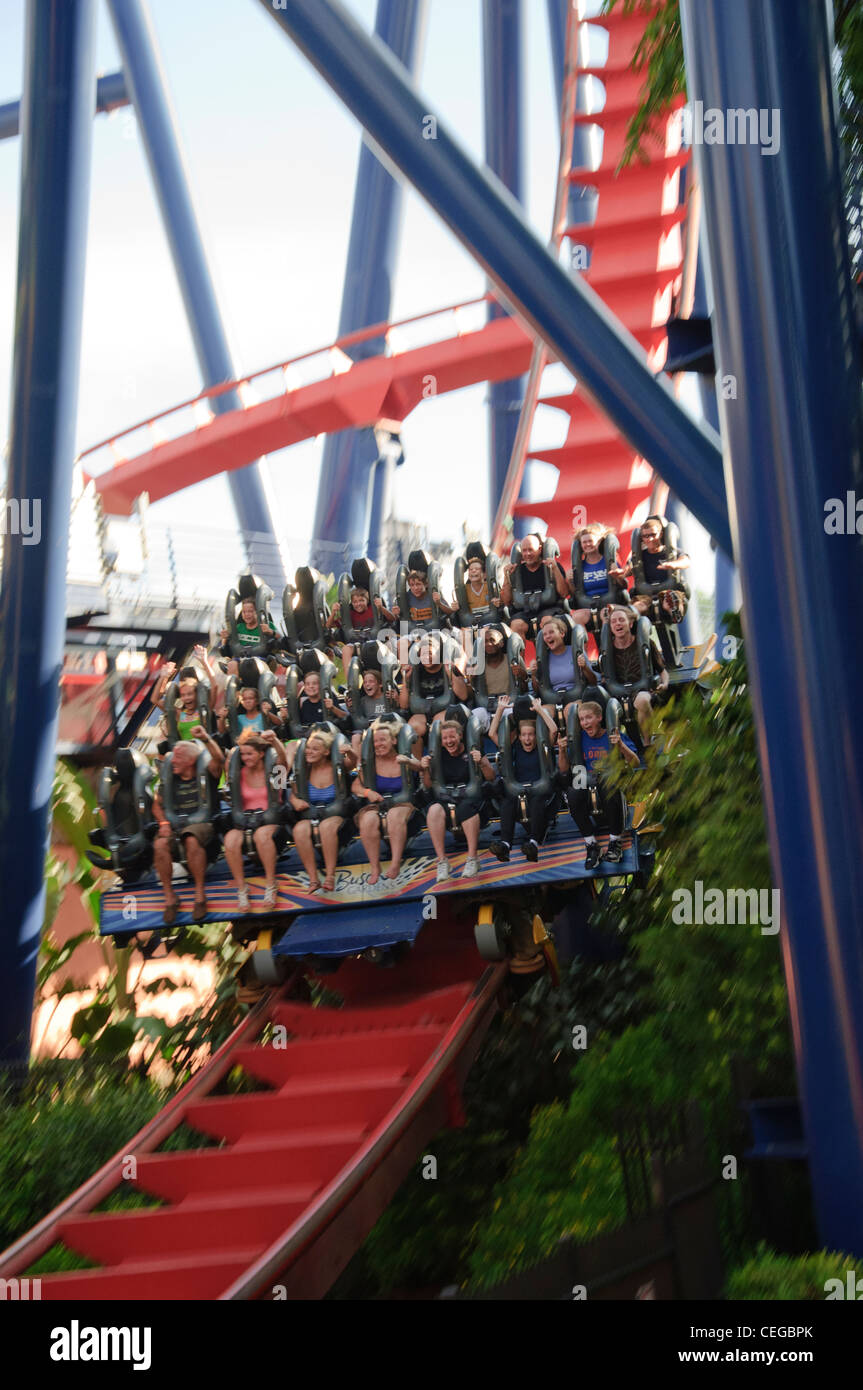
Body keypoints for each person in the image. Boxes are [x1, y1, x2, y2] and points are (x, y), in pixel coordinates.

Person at [152, 728, 224, 925]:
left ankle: (199, 895)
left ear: (191, 761)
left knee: (191, 837)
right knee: (159, 845)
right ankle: (170, 898)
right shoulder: (170, 778)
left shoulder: (207, 773)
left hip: (203, 829)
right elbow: (156, 804)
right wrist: (164, 823)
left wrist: (205, 737)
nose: (173, 761)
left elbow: (219, 759)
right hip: (175, 828)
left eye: (178, 757)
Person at [557, 700, 639, 868]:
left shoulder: (613, 735)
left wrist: (621, 746)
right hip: (586, 780)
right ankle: (591, 844)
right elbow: (564, 769)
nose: (585, 722)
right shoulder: (580, 739)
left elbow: (635, 763)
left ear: (600, 718)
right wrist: (562, 750)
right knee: (572, 793)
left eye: (589, 718)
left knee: (608, 785)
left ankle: (615, 843)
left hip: (609, 781)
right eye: (581, 719)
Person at [414, 719, 495, 881]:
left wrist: (483, 763)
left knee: (466, 809)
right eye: (445, 738)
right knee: (433, 810)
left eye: (452, 737)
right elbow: (429, 785)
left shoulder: (473, 751)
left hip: (470, 799)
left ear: (460, 737)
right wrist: (425, 770)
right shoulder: (438, 755)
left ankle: (473, 858)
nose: (449, 741)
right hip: (447, 798)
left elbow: (491, 777)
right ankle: (442, 861)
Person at [222, 729, 289, 911]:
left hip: (270, 823)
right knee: (230, 840)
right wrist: (239, 747)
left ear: (261, 754)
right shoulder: (240, 773)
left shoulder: (274, 773)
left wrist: (274, 741)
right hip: (246, 821)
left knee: (261, 836)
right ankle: (242, 889)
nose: (245, 758)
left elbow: (284, 763)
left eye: (250, 754)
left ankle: (270, 883)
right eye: (242, 754)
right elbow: (228, 764)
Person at [487, 696, 559, 863]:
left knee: (537, 798)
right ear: (518, 736)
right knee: (507, 801)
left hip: (540, 792)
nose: (527, 739)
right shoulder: (514, 747)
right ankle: (505, 844)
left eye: (531, 735)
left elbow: (554, 730)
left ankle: (533, 843)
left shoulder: (543, 745)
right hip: (518, 791)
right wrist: (500, 710)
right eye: (524, 735)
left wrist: (540, 710)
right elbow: (491, 733)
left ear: (536, 735)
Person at [582, 605, 669, 739]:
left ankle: (648, 742)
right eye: (614, 621)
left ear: (631, 623)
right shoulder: (607, 649)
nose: (618, 624)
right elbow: (604, 676)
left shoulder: (645, 643)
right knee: (602, 705)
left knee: (642, 700)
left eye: (621, 620)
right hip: (617, 693)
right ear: (610, 627)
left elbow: (663, 671)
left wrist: (665, 683)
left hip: (641, 690)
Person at [289, 727, 356, 892]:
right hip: (311, 815)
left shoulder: (337, 767)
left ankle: (330, 875)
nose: (309, 752)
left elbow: (352, 763)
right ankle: (313, 879)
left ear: (326, 752)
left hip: (335, 815)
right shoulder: (304, 770)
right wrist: (296, 802)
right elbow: (294, 794)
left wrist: (350, 752)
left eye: (315, 749)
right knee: (299, 830)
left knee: (326, 827)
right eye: (308, 748)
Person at [354, 720, 418, 884]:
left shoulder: (402, 756)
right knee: (368, 820)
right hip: (378, 804)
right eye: (375, 741)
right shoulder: (371, 762)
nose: (378, 744)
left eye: (382, 740)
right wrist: (368, 792)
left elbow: (421, 767)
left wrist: (409, 762)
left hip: (402, 804)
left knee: (394, 815)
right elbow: (356, 786)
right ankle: (375, 867)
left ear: (394, 741)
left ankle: (395, 862)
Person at [399, 633, 470, 751]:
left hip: (446, 710)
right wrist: (405, 680)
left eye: (431, 653)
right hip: (422, 712)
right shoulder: (416, 671)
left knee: (438, 726)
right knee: (411, 729)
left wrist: (450, 674)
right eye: (423, 654)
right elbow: (404, 705)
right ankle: (418, 765)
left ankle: (439, 762)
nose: (427, 657)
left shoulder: (448, 667)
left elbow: (463, 696)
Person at [499, 533, 570, 640]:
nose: (527, 554)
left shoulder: (552, 567)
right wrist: (507, 576)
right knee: (516, 624)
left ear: (540, 549)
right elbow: (506, 601)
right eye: (524, 550)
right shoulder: (517, 571)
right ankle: (518, 656)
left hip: (550, 609)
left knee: (547, 621)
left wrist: (555, 569)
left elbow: (564, 593)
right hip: (525, 612)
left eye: (531, 550)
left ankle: (547, 656)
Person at [570, 523, 630, 629]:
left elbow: (623, 585)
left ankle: (606, 645)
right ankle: (581, 645)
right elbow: (574, 592)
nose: (587, 544)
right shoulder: (579, 567)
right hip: (589, 606)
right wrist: (569, 580)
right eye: (584, 542)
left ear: (599, 542)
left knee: (605, 613)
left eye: (591, 541)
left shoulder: (609, 563)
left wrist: (617, 576)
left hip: (610, 604)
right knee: (576, 616)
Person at [328, 586, 395, 673]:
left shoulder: (373, 609)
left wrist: (381, 608)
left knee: (387, 644)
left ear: (367, 601)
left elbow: (392, 618)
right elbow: (329, 625)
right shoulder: (350, 614)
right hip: (358, 645)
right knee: (346, 649)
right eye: (355, 602)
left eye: (361, 600)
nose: (358, 604)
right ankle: (350, 682)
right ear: (351, 603)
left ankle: (387, 673)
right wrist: (333, 612)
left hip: (376, 642)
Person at [219, 598, 277, 672]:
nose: (246, 614)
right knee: (232, 664)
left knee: (254, 666)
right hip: (240, 659)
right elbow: (226, 646)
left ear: (257, 612)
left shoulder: (266, 626)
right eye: (244, 612)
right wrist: (225, 638)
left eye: (250, 611)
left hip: (260, 660)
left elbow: (280, 638)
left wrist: (271, 632)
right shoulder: (238, 627)